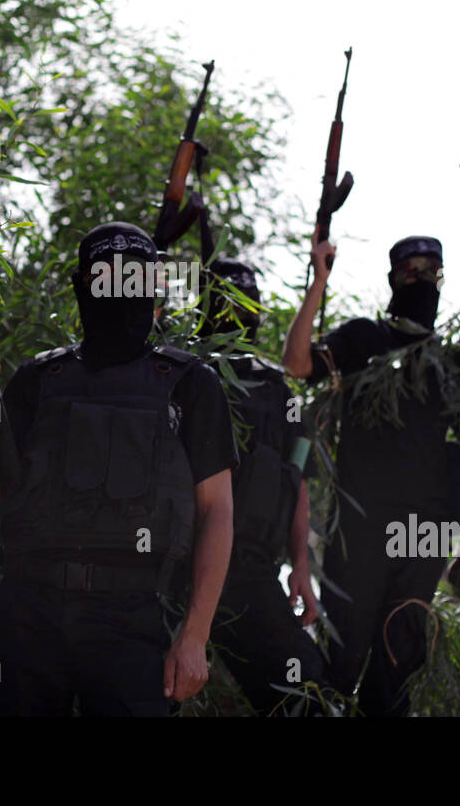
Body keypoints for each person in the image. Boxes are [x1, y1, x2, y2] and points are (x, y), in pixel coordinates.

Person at [0, 221, 235, 716]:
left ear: (156, 292)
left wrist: (195, 634)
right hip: (31, 614)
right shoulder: (38, 380)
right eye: (106, 278)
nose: (120, 291)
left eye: (134, 278)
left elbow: (217, 512)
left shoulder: (192, 384)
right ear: (82, 286)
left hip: (136, 617)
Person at [282, 232, 460, 715]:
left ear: (441, 278)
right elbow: (296, 362)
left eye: (430, 269)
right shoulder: (364, 339)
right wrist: (318, 282)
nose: (419, 277)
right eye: (409, 269)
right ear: (392, 277)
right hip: (360, 529)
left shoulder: (449, 359)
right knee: (343, 657)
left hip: (424, 533)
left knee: (400, 660)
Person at [197, 258, 330, 715]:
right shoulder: (179, 375)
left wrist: (300, 566)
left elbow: (295, 481)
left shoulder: (277, 390)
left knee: (305, 690)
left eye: (244, 306)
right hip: (176, 573)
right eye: (225, 305)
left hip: (250, 574)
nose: (236, 317)